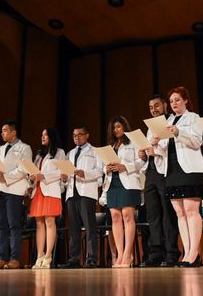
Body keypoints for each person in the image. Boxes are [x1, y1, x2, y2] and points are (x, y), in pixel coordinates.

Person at [153, 86, 203, 267]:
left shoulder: (193, 118)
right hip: (172, 170)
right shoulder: (167, 121)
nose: (174, 103)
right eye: (171, 101)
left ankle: (194, 252)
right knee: (180, 214)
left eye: (177, 100)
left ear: (185, 100)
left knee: (191, 211)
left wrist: (178, 132)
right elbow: (164, 149)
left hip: (190, 169)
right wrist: (155, 144)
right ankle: (186, 251)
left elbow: (196, 142)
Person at [138, 94, 180, 267]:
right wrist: (143, 154)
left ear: (164, 105)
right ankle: (156, 252)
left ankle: (171, 252)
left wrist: (157, 151)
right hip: (151, 172)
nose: (154, 109)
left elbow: (172, 148)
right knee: (153, 214)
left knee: (168, 213)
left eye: (156, 106)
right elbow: (150, 148)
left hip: (166, 171)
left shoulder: (171, 122)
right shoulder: (150, 127)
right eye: (151, 107)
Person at [100, 116, 144, 268]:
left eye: (118, 126)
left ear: (124, 127)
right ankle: (119, 254)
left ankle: (127, 254)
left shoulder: (133, 143)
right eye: (114, 127)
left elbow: (141, 162)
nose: (116, 130)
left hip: (128, 182)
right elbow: (102, 165)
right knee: (115, 217)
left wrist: (125, 166)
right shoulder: (111, 146)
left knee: (127, 216)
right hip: (113, 183)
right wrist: (105, 168)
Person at [0, 120, 32, 269]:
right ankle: (2, 257)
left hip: (13, 189)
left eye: (5, 130)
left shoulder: (24, 148)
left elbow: (23, 170)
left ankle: (14, 258)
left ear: (14, 132)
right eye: (2, 131)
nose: (2, 133)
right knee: (1, 225)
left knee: (14, 224)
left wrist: (5, 176)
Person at [60, 125, 103, 269]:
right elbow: (65, 174)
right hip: (72, 193)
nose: (77, 137)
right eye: (74, 135)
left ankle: (91, 258)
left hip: (86, 192)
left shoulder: (95, 151)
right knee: (73, 228)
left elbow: (100, 171)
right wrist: (65, 178)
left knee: (90, 227)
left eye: (80, 134)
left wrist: (84, 173)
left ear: (87, 135)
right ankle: (74, 258)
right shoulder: (70, 153)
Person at [29, 127, 64, 269]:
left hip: (51, 190)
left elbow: (60, 172)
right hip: (38, 190)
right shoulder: (39, 154)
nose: (42, 137)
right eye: (41, 135)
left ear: (52, 136)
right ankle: (39, 256)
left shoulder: (59, 153)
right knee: (39, 224)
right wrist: (32, 178)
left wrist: (43, 176)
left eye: (45, 135)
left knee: (50, 221)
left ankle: (48, 256)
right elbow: (35, 172)